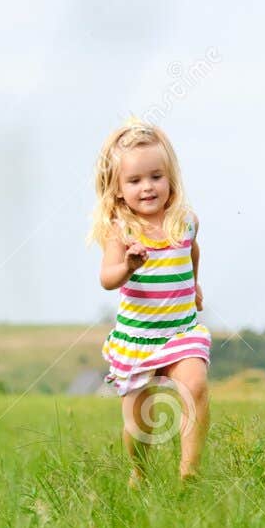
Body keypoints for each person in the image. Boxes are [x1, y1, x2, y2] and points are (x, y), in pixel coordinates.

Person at [91, 119, 209, 486]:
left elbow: (192, 251)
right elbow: (107, 277)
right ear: (118, 189)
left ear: (170, 178)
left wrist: (194, 285)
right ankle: (139, 472)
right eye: (135, 180)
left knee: (195, 385)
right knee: (140, 424)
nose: (147, 187)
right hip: (138, 339)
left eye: (156, 176)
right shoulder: (121, 231)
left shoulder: (185, 221)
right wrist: (128, 265)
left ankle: (190, 473)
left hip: (181, 332)